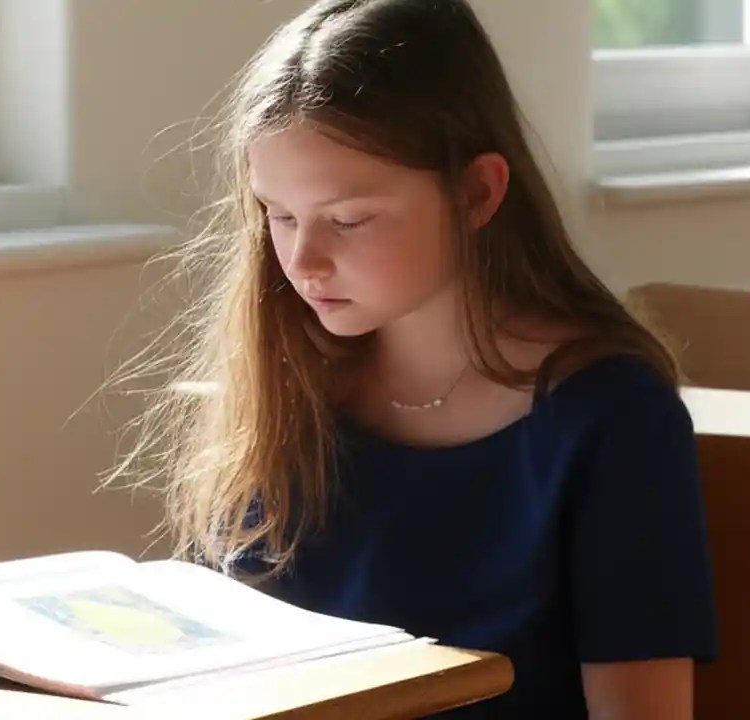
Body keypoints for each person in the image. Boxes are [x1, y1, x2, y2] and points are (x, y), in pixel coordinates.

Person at [108, 0, 717, 717]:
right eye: (279, 214)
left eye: (350, 219)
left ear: (476, 192)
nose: (304, 261)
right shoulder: (289, 386)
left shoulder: (613, 420)